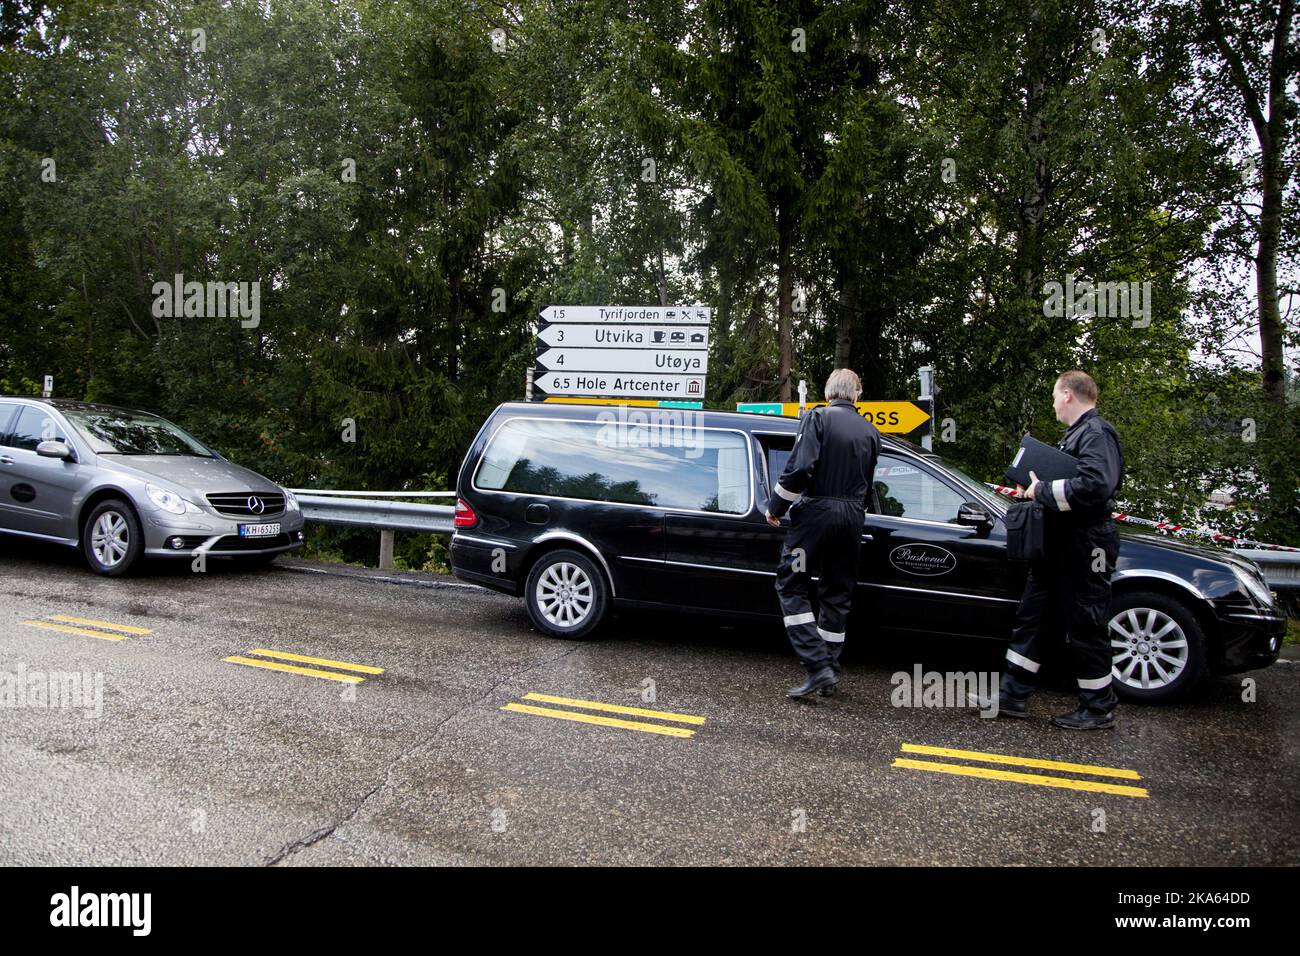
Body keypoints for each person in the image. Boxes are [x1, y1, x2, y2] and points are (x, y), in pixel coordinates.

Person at [974, 370, 1126, 729]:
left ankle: (1098, 707)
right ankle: (1012, 696)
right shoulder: (1077, 434)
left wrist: (1041, 491)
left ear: (1069, 395)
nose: (1054, 403)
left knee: (1087, 625)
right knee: (1034, 618)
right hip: (1059, 545)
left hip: (1085, 545)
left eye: (1056, 396)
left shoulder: (1096, 432)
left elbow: (1096, 485)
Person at [765, 369, 881, 700]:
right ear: (856, 396)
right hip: (852, 518)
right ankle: (829, 670)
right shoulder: (871, 431)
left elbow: (800, 469)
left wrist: (776, 507)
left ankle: (816, 667)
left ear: (829, 393)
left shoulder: (818, 419)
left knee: (790, 583)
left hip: (816, 516)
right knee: (837, 591)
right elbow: (868, 484)